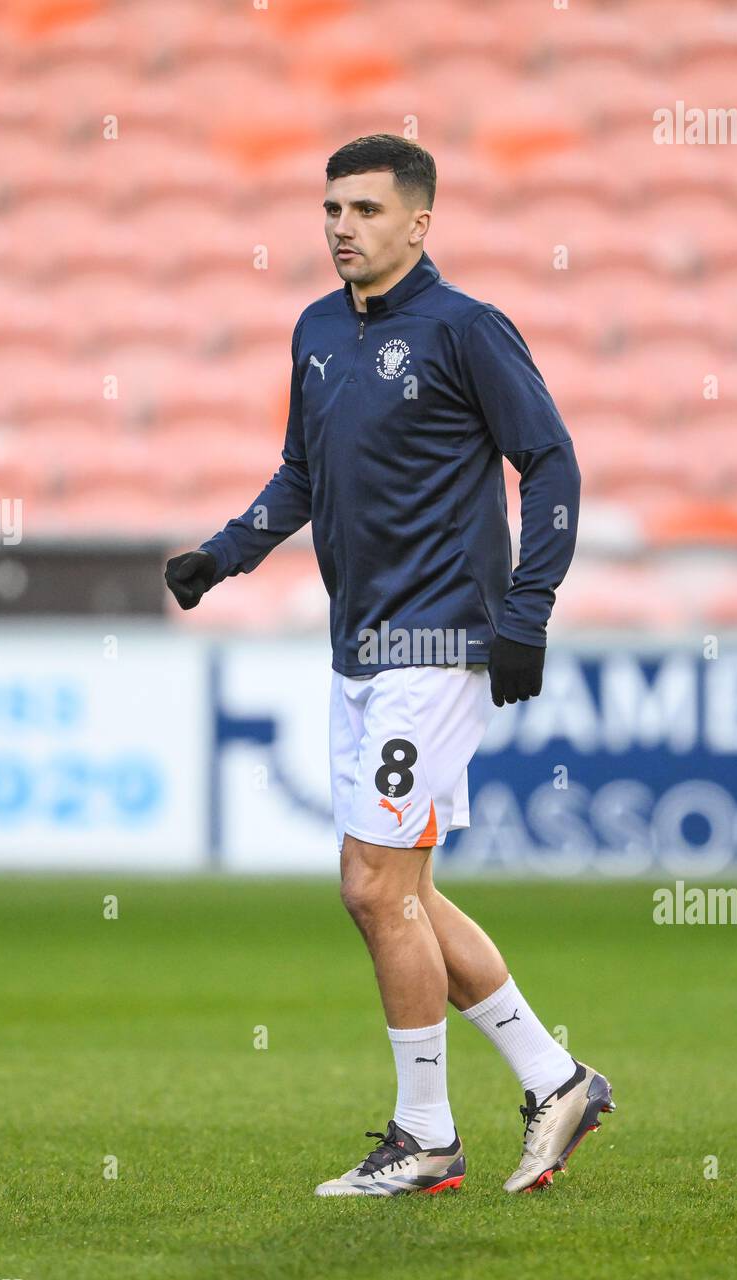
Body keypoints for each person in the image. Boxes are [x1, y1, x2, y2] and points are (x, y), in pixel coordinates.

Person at [165, 134, 614, 1196]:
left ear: (419, 222)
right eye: (331, 209)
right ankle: (556, 1079)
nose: (341, 228)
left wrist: (528, 610)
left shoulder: (466, 328)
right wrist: (223, 554)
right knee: (400, 891)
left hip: (440, 643)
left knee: (370, 885)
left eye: (365, 210)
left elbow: (549, 460)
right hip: (360, 647)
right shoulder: (317, 330)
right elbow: (300, 472)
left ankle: (426, 1137)